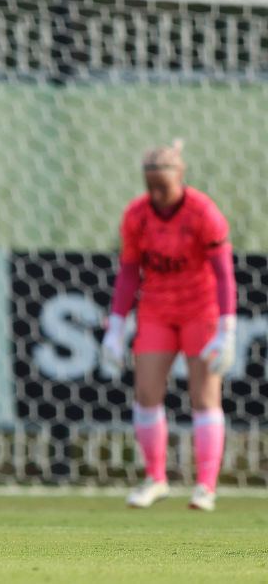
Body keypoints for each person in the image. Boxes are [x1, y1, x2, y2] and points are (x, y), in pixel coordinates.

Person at [101, 140, 235, 511]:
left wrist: (228, 329)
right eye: (151, 186)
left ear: (181, 176)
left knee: (204, 395)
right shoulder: (136, 215)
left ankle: (205, 486)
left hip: (200, 309)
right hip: (157, 309)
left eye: (164, 185)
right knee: (146, 392)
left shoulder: (204, 212)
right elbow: (129, 271)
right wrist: (116, 326)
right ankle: (155, 478)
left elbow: (224, 274)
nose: (157, 193)